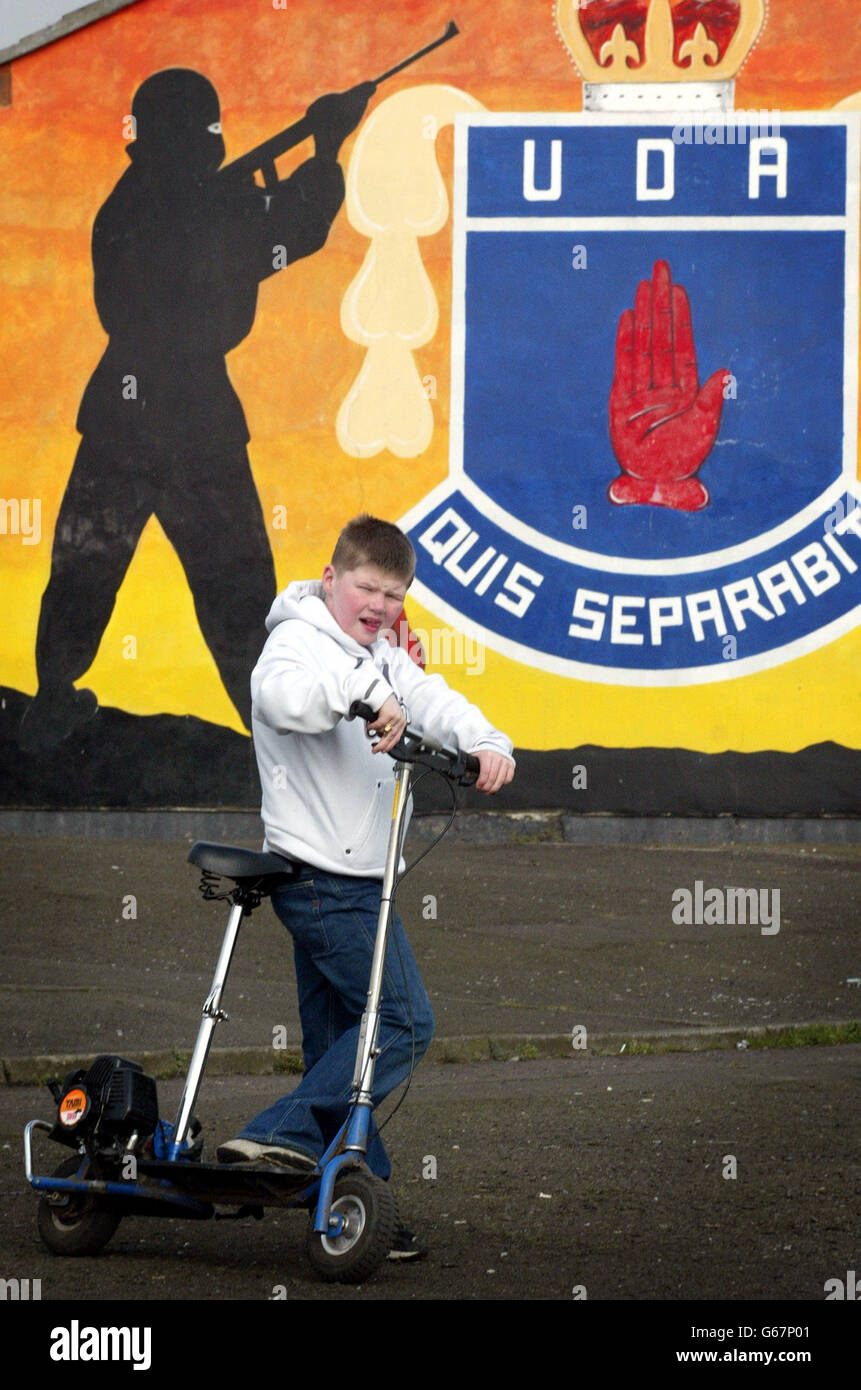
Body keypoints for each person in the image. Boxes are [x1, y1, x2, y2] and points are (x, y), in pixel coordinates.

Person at [19, 68, 371, 751]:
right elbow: (296, 228)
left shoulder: (128, 207)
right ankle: (275, 733)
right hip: (196, 417)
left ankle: (53, 699)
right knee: (235, 588)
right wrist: (325, 150)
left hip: (121, 413)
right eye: (207, 131)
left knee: (85, 570)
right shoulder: (202, 208)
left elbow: (260, 227)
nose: (216, 143)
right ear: (189, 136)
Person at [217, 514, 515, 1258]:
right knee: (404, 1024)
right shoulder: (297, 641)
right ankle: (273, 1136)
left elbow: (431, 697)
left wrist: (484, 742)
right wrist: (362, 693)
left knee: (338, 1045)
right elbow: (280, 698)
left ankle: (353, 1203)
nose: (379, 604)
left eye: (394, 593)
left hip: (354, 877)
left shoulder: (379, 652)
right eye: (366, 587)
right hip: (322, 879)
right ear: (330, 579)